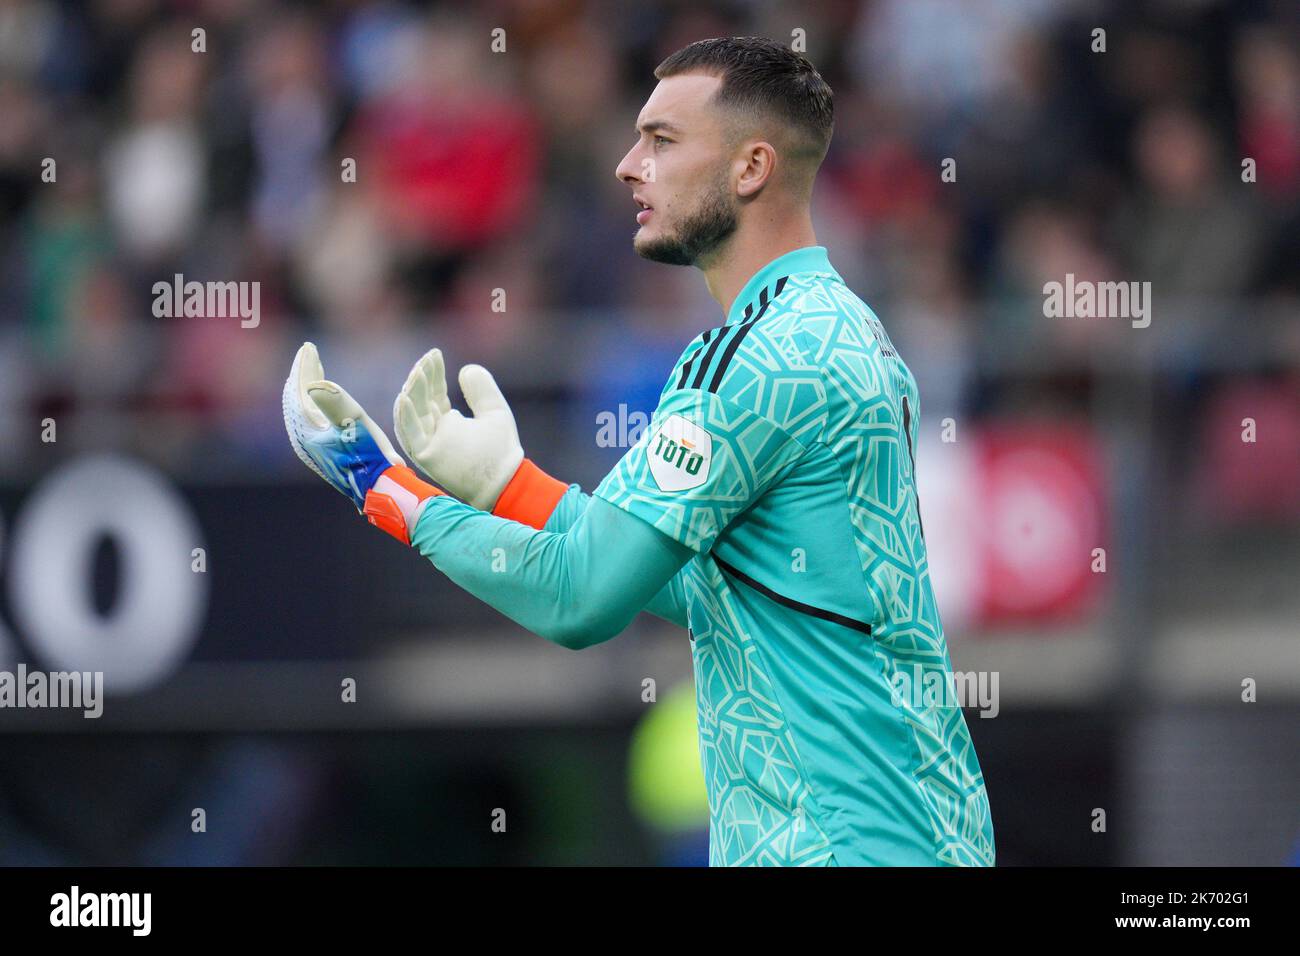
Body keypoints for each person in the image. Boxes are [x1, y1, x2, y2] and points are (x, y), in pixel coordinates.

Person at [285, 36, 995, 867]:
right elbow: (727, 595)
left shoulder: (753, 359)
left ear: (750, 168)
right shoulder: (848, 330)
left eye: (661, 141)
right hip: (925, 837)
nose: (628, 166)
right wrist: (511, 486)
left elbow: (580, 597)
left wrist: (381, 487)